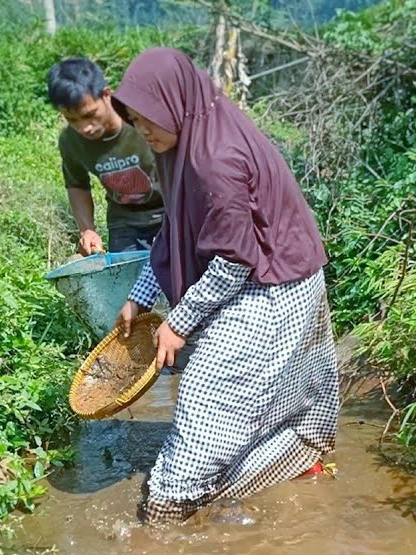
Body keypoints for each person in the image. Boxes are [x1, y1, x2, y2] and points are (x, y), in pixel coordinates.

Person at [111, 47, 339, 523]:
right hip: (255, 270)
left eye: (148, 118)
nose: (143, 131)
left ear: (174, 102)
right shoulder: (181, 143)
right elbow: (175, 228)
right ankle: (279, 467)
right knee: (241, 391)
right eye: (134, 119)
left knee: (208, 387)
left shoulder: (216, 158)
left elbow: (233, 263)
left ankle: (172, 505)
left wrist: (179, 322)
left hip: (277, 281)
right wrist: (140, 295)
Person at [47, 57, 165, 255]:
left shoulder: (142, 119)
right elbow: (77, 185)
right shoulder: (71, 141)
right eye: (72, 119)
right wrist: (88, 230)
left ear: (106, 95)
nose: (84, 127)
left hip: (170, 212)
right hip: (125, 222)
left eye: (89, 115)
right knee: (126, 282)